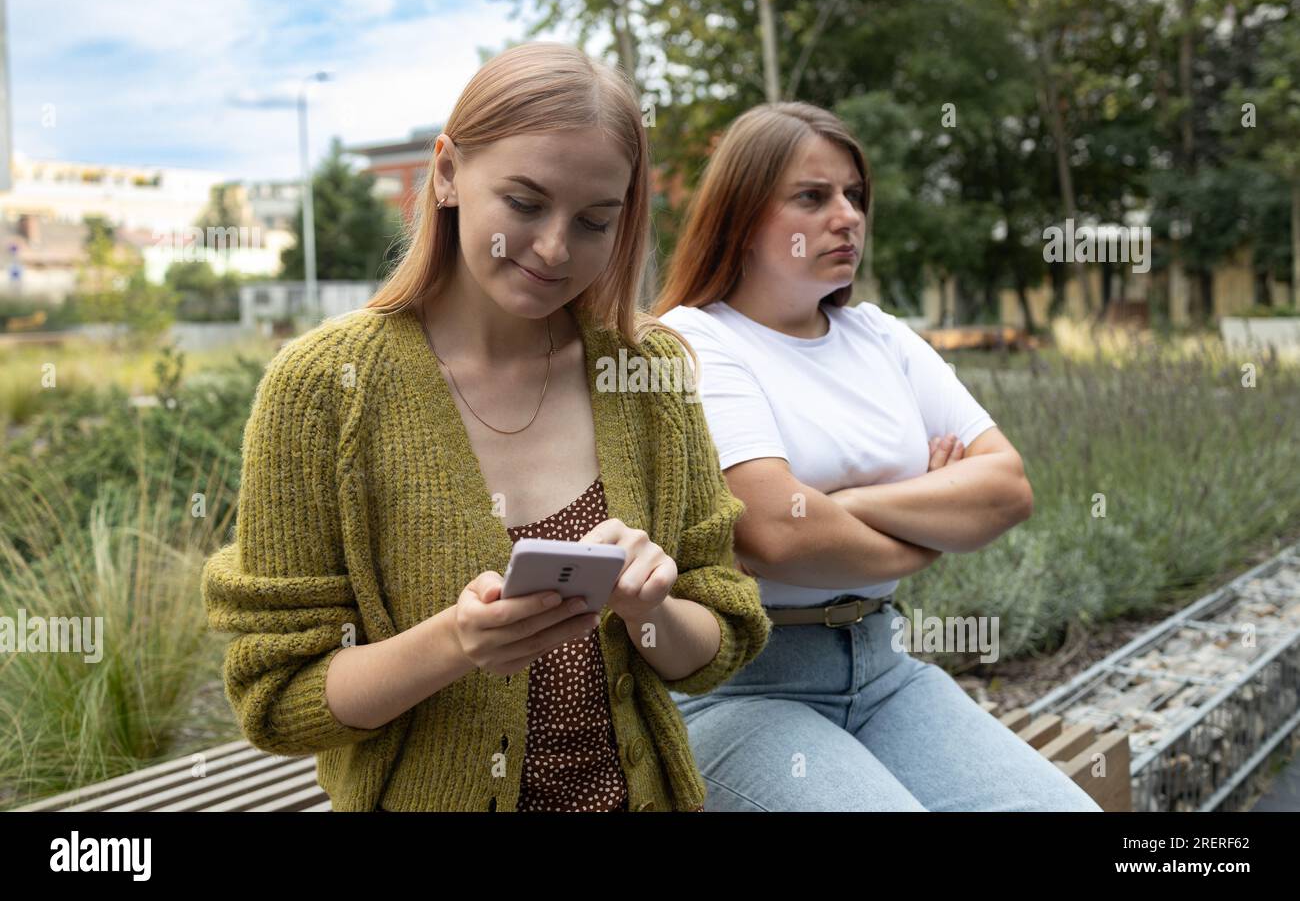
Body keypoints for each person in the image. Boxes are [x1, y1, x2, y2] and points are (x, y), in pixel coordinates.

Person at [200, 42, 769, 812]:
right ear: (446, 174)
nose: (554, 249)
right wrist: (455, 644)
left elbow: (716, 645)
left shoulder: (650, 372)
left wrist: (651, 609)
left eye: (596, 220)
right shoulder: (322, 392)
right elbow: (276, 696)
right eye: (525, 203)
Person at [653, 101, 1101, 811]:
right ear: (740, 216)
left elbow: (1007, 488)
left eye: (855, 196)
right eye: (813, 196)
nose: (848, 216)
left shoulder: (878, 336)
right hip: (744, 689)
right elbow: (776, 532)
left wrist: (847, 507)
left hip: (886, 669)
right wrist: (926, 528)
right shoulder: (694, 341)